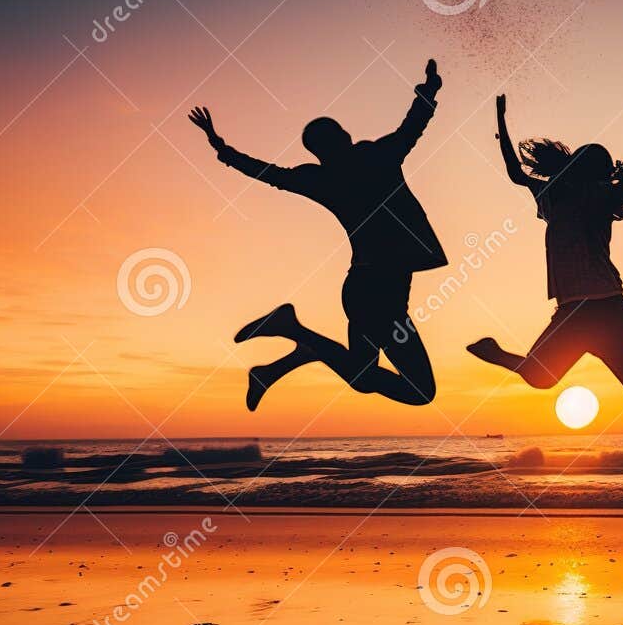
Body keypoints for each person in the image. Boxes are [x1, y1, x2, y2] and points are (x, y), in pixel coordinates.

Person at [187, 59, 448, 409]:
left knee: (362, 375)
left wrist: (222, 149)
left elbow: (270, 173)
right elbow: (413, 126)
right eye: (340, 131)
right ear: (342, 137)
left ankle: (286, 348)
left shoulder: (320, 178)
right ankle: (293, 331)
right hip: (380, 291)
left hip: (364, 287)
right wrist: (429, 89)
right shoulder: (377, 157)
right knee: (414, 391)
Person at [465, 95, 623, 407]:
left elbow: (515, 171)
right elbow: (516, 172)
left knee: (544, 377)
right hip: (599, 309)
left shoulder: (582, 193)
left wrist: (500, 119)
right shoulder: (566, 192)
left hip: (591, 310)